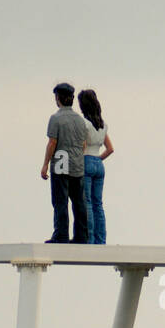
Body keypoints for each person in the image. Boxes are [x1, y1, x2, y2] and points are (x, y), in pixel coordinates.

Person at [40, 82, 90, 243]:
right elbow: (84, 144)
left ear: (58, 98)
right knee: (79, 201)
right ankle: (82, 235)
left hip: (61, 162)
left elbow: (52, 143)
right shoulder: (80, 120)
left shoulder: (55, 118)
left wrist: (45, 164)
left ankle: (61, 234)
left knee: (60, 201)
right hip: (77, 164)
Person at [77, 89, 113, 244]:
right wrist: (98, 159)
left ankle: (89, 238)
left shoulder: (84, 123)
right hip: (99, 164)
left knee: (88, 202)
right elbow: (110, 149)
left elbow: (83, 146)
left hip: (86, 161)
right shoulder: (102, 124)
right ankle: (101, 239)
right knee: (98, 203)